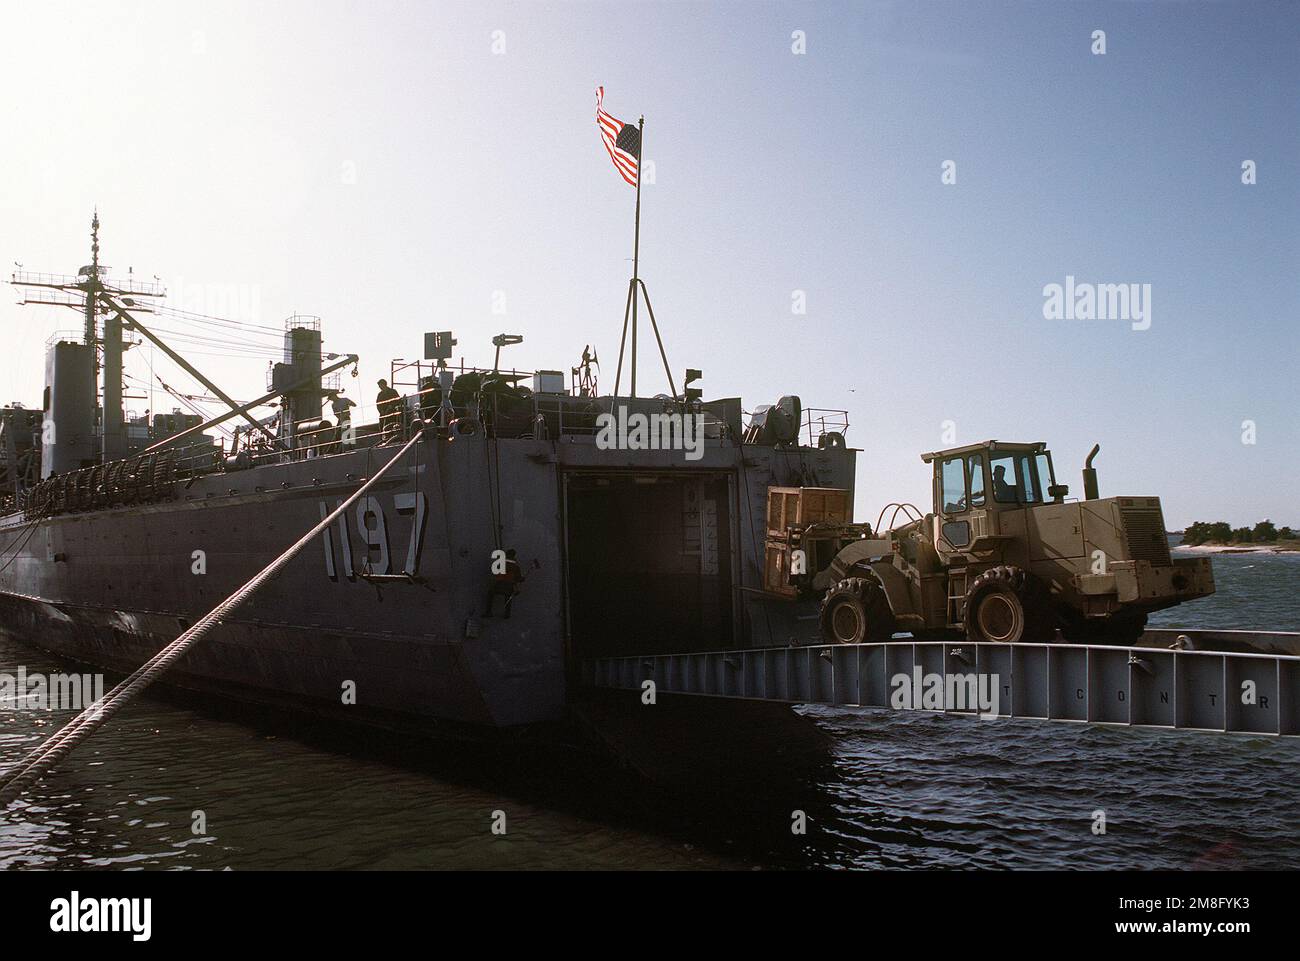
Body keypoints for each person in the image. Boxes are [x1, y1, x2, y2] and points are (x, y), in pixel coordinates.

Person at [483, 548, 525, 619]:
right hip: (509, 587)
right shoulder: (515, 567)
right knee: (508, 597)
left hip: (499, 585)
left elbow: (494, 572)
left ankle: (488, 612)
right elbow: (518, 579)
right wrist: (522, 579)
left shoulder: (501, 563)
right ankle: (507, 614)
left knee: (490, 593)